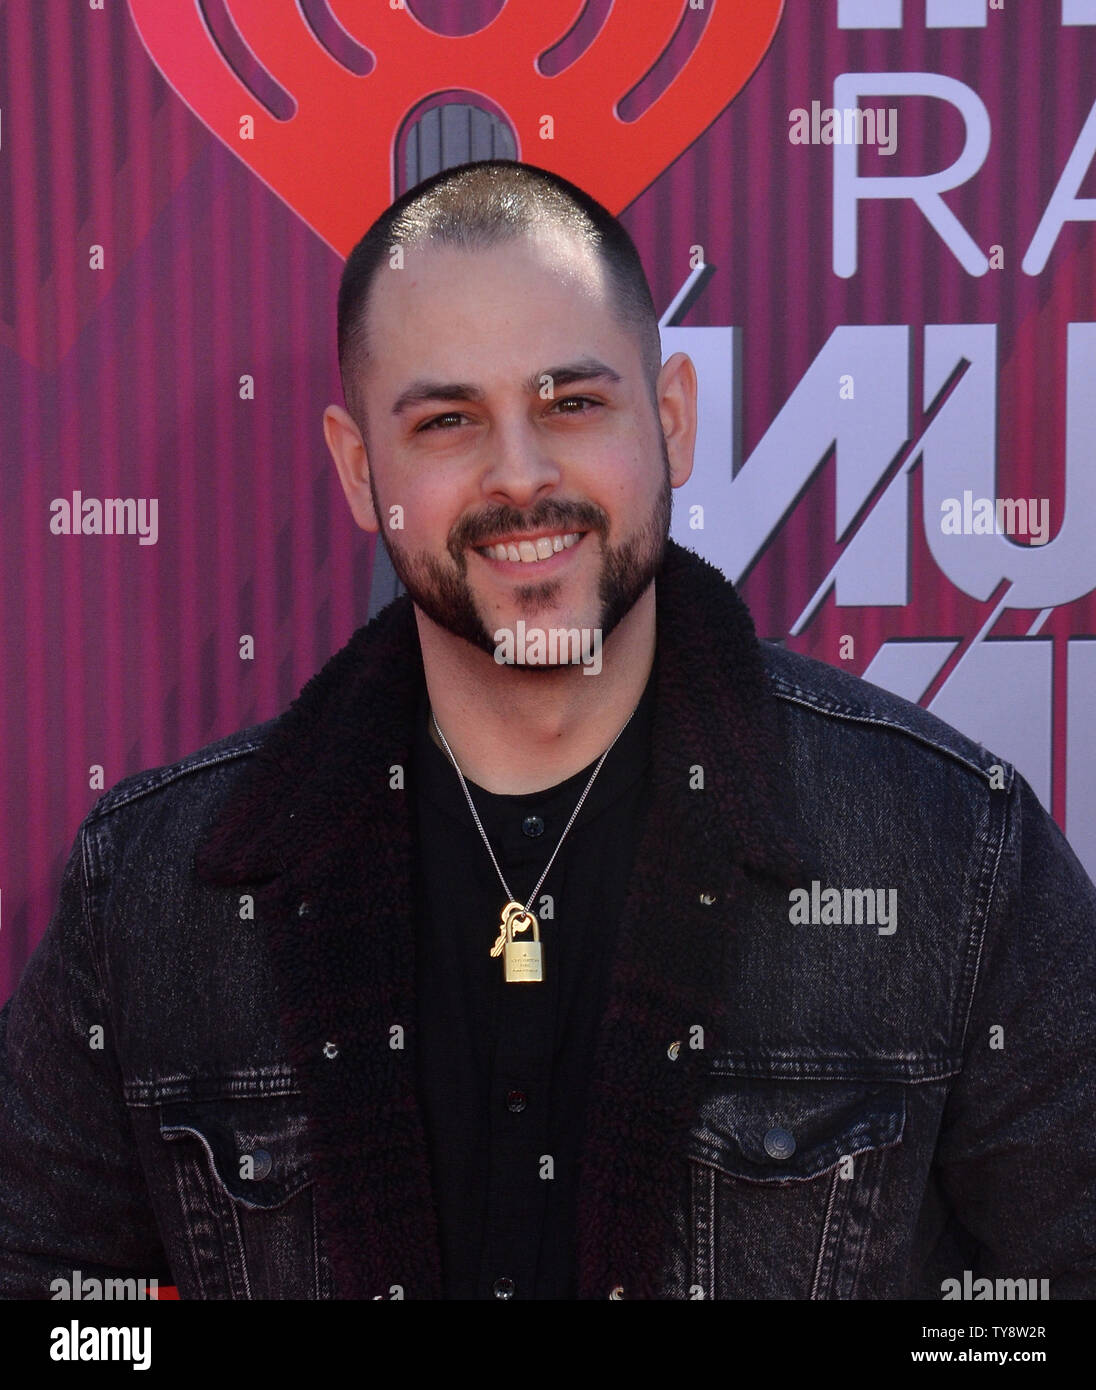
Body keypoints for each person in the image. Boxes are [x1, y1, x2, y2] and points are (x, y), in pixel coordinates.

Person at [1, 160, 1093, 1302]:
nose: (519, 476)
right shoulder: (154, 886)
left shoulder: (949, 847)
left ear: (668, 418)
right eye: (446, 420)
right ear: (358, 465)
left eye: (572, 403)